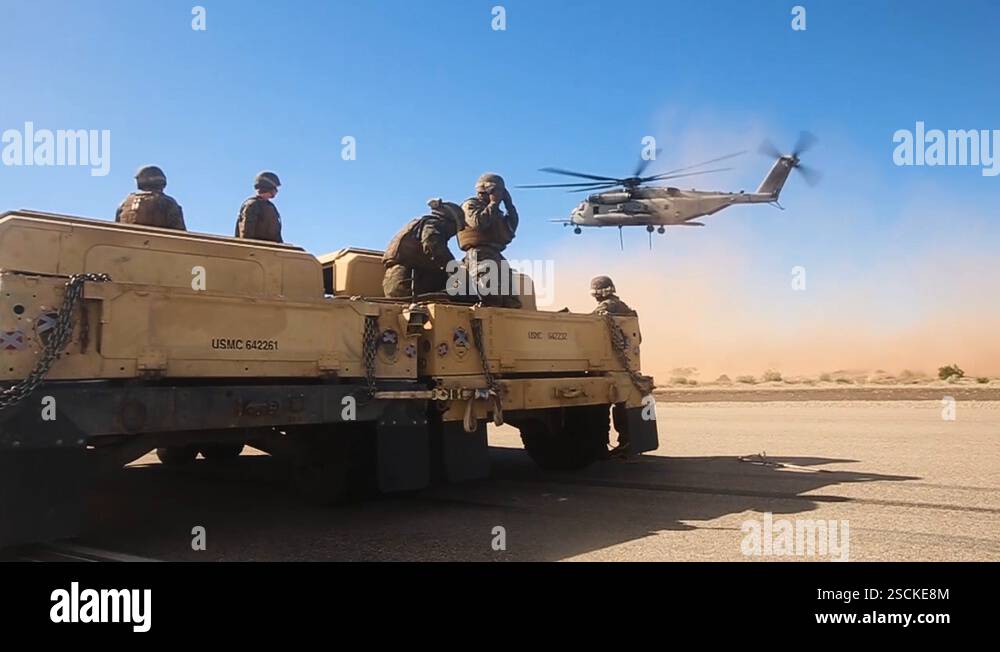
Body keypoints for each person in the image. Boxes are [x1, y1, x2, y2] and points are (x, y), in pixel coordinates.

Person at [589, 275, 638, 457]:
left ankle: (603, 448)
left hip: (611, 365)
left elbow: (590, 328)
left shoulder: (606, 308)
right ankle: (626, 443)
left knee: (601, 408)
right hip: (625, 365)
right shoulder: (625, 308)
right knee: (623, 405)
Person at [458, 173, 520, 308]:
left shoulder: (495, 211)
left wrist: (509, 205)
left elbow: (510, 229)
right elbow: (478, 223)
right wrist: (493, 203)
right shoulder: (471, 204)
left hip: (495, 254)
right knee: (489, 295)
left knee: (511, 300)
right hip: (479, 254)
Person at [382, 199, 464, 297]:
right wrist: (456, 270)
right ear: (449, 222)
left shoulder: (420, 225)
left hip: (396, 281)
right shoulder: (433, 224)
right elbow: (434, 246)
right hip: (410, 282)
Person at [115, 165, 186, 230]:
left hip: (127, 242)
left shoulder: (124, 203)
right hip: (160, 243)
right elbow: (180, 233)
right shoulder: (169, 202)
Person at [235, 171, 283, 242]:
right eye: (275, 188)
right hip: (257, 250)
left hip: (270, 249)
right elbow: (246, 234)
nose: (276, 191)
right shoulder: (252, 205)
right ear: (268, 187)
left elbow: (276, 234)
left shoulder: (270, 206)